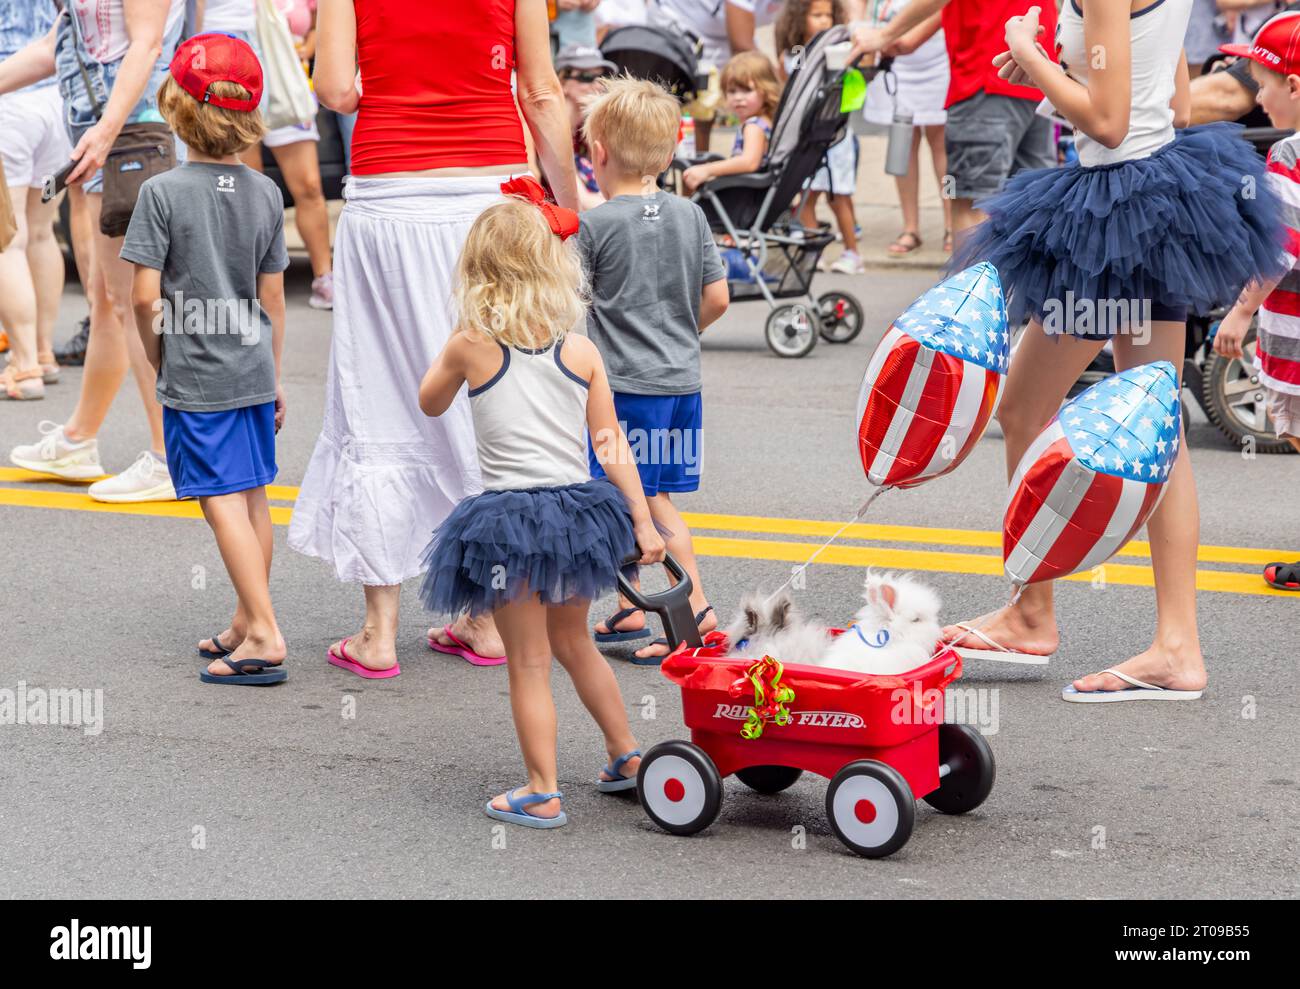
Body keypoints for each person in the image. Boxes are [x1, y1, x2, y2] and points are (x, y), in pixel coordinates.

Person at [947, 2, 1282, 701]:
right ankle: (1174, 645)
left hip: (1115, 215)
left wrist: (1029, 52)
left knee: (1027, 408)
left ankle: (1034, 613)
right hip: (1158, 199)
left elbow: (1106, 123)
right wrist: (1051, 67)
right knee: (1155, 426)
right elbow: (1177, 101)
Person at [292, 0, 579, 676]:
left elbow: (335, 89)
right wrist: (568, 196)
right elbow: (539, 90)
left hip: (391, 191)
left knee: (381, 400)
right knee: (493, 392)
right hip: (492, 192)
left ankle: (379, 629)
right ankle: (484, 613)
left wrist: (396, 91)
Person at [417, 190, 666, 828]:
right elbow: (610, 444)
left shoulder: (470, 344)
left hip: (506, 525)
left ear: (478, 270)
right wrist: (641, 519)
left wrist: (453, 353)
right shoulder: (579, 351)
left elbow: (429, 403)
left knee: (527, 661)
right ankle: (626, 755)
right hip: (578, 515)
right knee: (575, 641)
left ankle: (543, 789)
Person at [122, 33, 289, 684]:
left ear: (176, 108)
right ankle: (249, 619)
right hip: (252, 367)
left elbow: (142, 300)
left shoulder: (163, 195)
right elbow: (272, 297)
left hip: (196, 370)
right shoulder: (267, 193)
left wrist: (160, 360)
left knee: (217, 497)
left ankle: (266, 633)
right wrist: (273, 376)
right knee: (252, 495)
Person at [2, 0, 187, 503]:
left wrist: (103, 134)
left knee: (136, 301)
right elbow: (57, 45)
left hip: (131, 134)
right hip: (102, 133)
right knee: (110, 297)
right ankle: (78, 440)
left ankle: (169, 457)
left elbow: (146, 44)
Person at [579, 77, 729, 658]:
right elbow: (716, 299)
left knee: (646, 501)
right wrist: (679, 335)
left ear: (598, 152)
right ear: (669, 155)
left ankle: (696, 609)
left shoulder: (596, 226)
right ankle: (628, 607)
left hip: (623, 390)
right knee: (640, 494)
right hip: (679, 383)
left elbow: (572, 305)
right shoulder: (690, 216)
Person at [1206, 11, 1300, 592]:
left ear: (1294, 85)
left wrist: (1240, 312)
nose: (1257, 98)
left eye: (1262, 84)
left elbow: (1282, 249)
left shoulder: (1290, 156)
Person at [850, 0, 1057, 242]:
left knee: (974, 202)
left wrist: (884, 35)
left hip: (988, 72)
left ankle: (973, 280)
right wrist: (910, 40)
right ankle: (1019, 281)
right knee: (1031, 202)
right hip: (1036, 73)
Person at [194, 0, 334, 310]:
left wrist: (307, 48)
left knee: (309, 185)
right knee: (247, 190)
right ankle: (253, 281)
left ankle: (325, 277)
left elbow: (317, 19)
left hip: (280, 76)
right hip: (225, 70)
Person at [0, 0, 71, 400]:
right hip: (54, 99)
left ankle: (24, 365)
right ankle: (43, 352)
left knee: (7, 240)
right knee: (42, 233)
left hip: (7, 93)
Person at [857, 0, 953, 255]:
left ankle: (952, 223)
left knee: (941, 145)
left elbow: (944, 6)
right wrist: (858, 26)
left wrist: (907, 38)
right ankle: (911, 227)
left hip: (936, 56)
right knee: (903, 142)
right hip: (892, 58)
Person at [777, 0, 867, 273]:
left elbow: (855, 92)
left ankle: (853, 253)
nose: (824, 21)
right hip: (805, 137)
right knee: (806, 193)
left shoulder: (841, 52)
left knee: (838, 196)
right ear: (799, 18)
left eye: (828, 15)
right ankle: (813, 249)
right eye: (817, 15)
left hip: (835, 136)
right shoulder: (791, 56)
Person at [682, 49, 779, 192]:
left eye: (747, 90)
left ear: (766, 90)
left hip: (745, 199)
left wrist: (707, 170)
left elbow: (749, 162)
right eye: (732, 91)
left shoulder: (754, 126)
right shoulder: (766, 121)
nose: (738, 97)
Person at [556, 43, 616, 209]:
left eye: (601, 77)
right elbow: (581, 200)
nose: (596, 85)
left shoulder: (590, 127)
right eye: (586, 77)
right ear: (562, 82)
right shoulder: (552, 129)